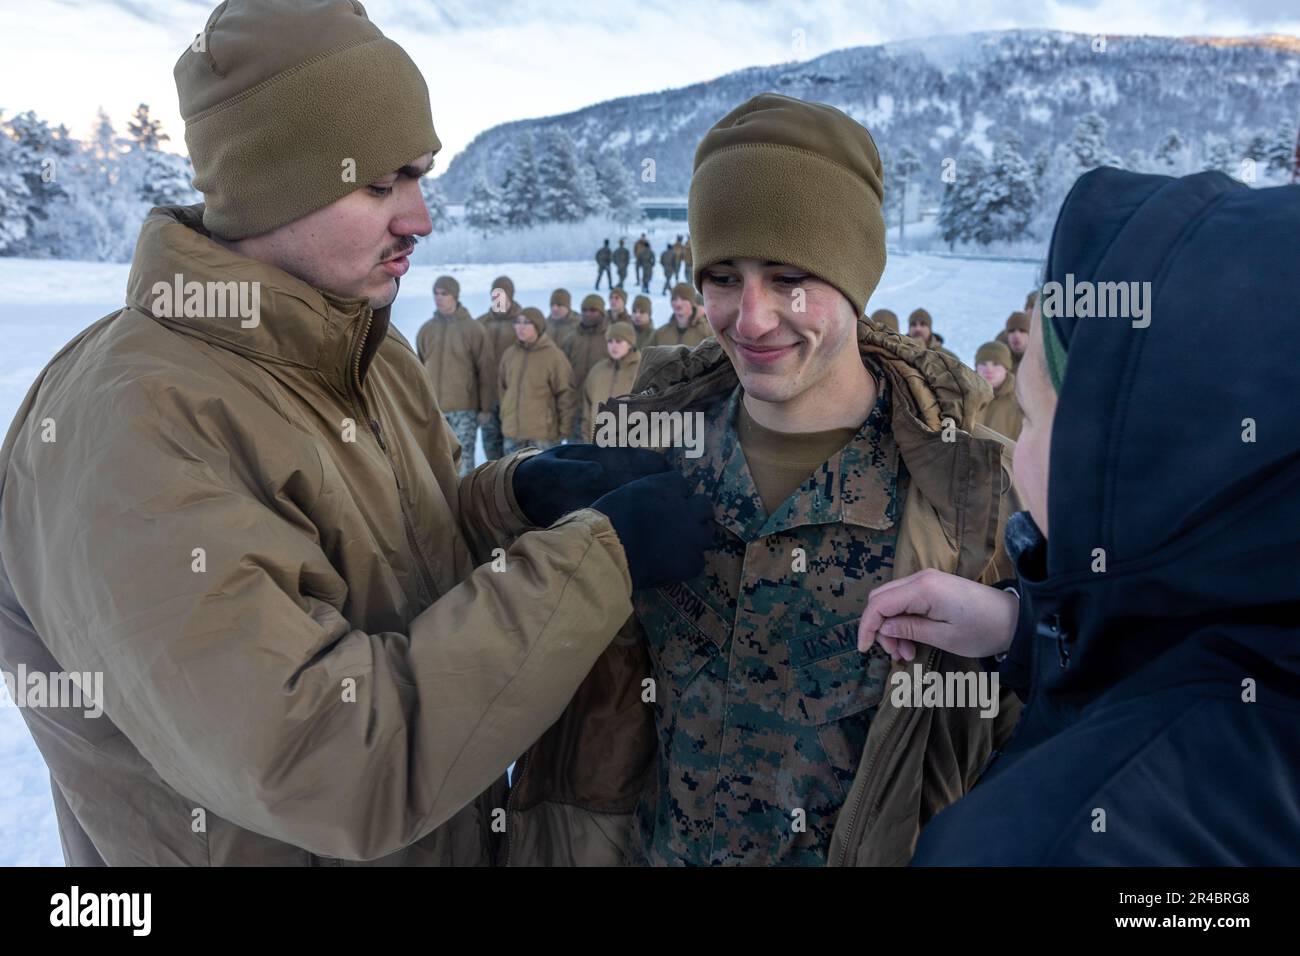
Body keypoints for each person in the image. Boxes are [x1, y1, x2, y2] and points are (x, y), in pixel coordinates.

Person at [0, 0, 713, 868]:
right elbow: (329, 760)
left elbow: (397, 567)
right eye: (380, 185)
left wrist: (511, 502)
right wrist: (596, 565)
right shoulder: (132, 426)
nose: (420, 217)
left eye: (418, 176)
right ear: (270, 184)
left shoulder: (365, 350)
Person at [503, 92, 1018, 867]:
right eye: (721, 277)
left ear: (855, 279)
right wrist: (519, 494)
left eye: (789, 278)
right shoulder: (651, 448)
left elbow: (1078, 725)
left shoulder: (970, 494)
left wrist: (1020, 628)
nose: (750, 319)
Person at [861, 166, 1300, 866]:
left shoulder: (1034, 846)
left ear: (1116, 463)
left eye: (1031, 418)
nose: (1017, 452)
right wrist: (1022, 628)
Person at [415, 275, 494, 476]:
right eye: (436, 293)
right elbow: (418, 371)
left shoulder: (474, 329)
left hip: (464, 410)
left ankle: (465, 497)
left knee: (463, 464)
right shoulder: (426, 330)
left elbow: (485, 371)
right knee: (436, 463)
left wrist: (485, 408)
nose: (438, 298)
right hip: (435, 410)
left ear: (455, 296)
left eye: (444, 293)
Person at [498, 307, 575, 453]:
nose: (520, 327)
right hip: (513, 434)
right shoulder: (510, 354)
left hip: (542, 436)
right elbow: (503, 390)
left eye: (527, 323)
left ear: (538, 327)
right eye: (518, 322)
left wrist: (564, 430)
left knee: (542, 469)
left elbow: (565, 395)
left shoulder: (554, 356)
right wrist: (506, 415)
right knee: (511, 469)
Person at [476, 274, 522, 460]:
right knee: (492, 453)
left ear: (511, 296)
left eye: (503, 295)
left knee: (514, 457)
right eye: (495, 295)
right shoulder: (480, 324)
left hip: (514, 400)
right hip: (487, 400)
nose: (498, 299)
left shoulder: (524, 323)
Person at [578, 321, 641, 442]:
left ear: (630, 344)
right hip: (597, 443)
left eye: (619, 341)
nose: (614, 346)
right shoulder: (597, 370)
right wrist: (587, 438)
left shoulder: (642, 370)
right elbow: (587, 408)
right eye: (610, 341)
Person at [973, 340, 1022, 441]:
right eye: (983, 363)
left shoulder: (1021, 401)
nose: (989, 369)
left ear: (1006, 368)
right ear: (976, 367)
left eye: (996, 364)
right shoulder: (962, 397)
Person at [650, 281, 712, 347]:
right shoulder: (660, 333)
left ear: (692, 302)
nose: (678, 304)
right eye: (674, 299)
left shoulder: (707, 333)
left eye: (684, 299)